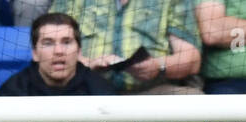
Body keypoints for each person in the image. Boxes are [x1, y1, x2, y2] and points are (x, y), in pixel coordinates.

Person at [0, 14, 116, 122]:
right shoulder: (13, 92)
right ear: (35, 53)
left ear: (79, 51)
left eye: (66, 42)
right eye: (48, 43)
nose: (58, 51)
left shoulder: (102, 92)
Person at [50, 0, 202, 95]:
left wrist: (158, 66)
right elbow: (48, 47)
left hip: (151, 93)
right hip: (88, 91)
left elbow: (192, 59)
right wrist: (87, 64)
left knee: (192, 99)